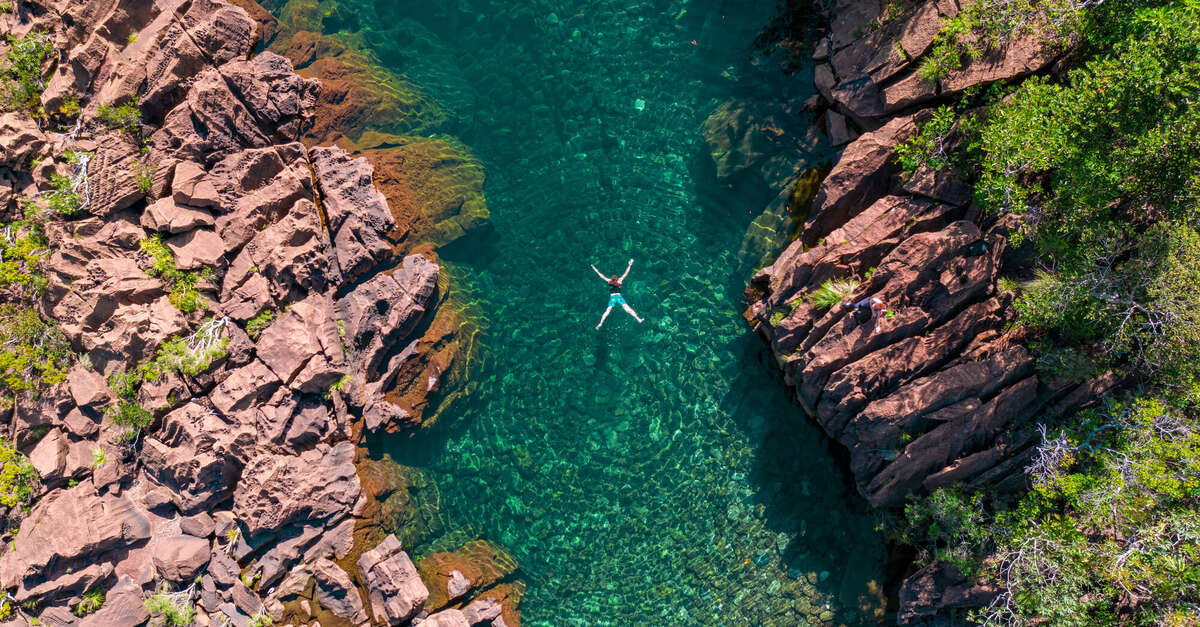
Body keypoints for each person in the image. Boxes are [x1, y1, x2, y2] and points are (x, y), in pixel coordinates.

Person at [591, 258, 644, 329]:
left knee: (608, 310)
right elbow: (626, 273)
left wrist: (594, 268)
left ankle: (600, 323)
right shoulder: (620, 280)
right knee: (627, 309)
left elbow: (601, 275)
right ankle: (638, 319)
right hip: (619, 297)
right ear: (617, 279)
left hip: (612, 298)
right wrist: (630, 265)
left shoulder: (609, 281)